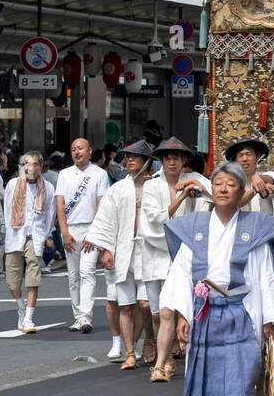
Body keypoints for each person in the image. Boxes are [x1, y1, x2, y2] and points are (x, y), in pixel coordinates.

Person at [160, 160, 274, 396]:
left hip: (241, 312)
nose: (222, 189)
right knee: (207, 387)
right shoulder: (195, 229)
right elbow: (182, 273)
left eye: (230, 184)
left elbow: (262, 276)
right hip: (204, 314)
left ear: (241, 192)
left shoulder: (253, 229)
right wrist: (181, 314)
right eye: (217, 183)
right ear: (210, 189)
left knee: (239, 384)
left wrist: (268, 319)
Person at [141, 138, 211, 383]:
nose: (171, 161)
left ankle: (165, 362)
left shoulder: (198, 181)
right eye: (167, 157)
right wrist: (182, 197)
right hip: (157, 251)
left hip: (186, 254)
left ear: (184, 161)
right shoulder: (152, 186)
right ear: (162, 160)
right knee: (158, 312)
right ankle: (167, 357)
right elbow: (154, 218)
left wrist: (197, 189)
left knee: (182, 310)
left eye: (176, 157)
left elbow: (218, 202)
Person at [84, 140, 157, 371]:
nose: (130, 161)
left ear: (147, 161)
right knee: (125, 304)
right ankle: (129, 352)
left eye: (135, 157)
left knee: (146, 304)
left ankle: (149, 340)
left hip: (149, 249)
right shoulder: (117, 189)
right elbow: (105, 220)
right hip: (123, 249)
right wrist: (105, 249)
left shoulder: (157, 187)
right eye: (128, 157)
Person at [54, 138, 110, 334]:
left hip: (91, 229)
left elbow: (101, 204)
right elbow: (59, 204)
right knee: (73, 275)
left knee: (87, 272)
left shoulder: (100, 174)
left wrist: (94, 233)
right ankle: (77, 316)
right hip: (70, 229)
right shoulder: (64, 175)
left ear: (90, 151)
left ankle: (86, 316)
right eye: (74, 149)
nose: (77, 152)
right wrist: (64, 232)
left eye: (81, 148)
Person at [3, 152, 56, 334]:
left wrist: (44, 234)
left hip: (35, 234)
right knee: (13, 280)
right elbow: (7, 210)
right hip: (15, 233)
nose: (30, 168)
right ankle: (21, 308)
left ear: (41, 167)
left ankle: (28, 318)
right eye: (26, 164)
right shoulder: (13, 184)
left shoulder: (47, 187)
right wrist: (8, 231)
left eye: (34, 164)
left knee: (33, 277)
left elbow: (50, 214)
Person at [226, 138, 274, 217]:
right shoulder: (231, 184)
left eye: (249, 154)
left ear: (257, 156)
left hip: (266, 227)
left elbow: (271, 179)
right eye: (240, 155)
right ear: (235, 160)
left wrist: (257, 178)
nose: (245, 159)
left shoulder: (268, 175)